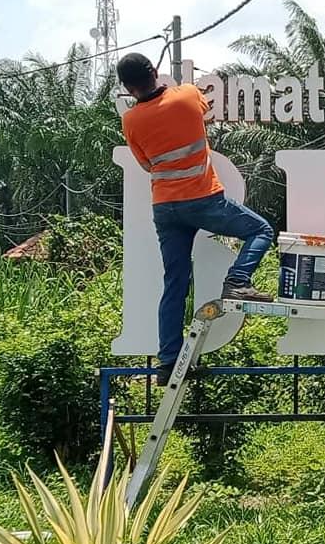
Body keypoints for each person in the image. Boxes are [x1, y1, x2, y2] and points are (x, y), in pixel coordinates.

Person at [117, 53, 274, 386]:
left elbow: (147, 165)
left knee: (175, 283)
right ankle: (238, 281)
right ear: (155, 72)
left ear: (128, 89)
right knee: (261, 230)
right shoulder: (187, 95)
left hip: (166, 208)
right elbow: (202, 108)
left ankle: (168, 362)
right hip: (203, 200)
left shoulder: (131, 121)